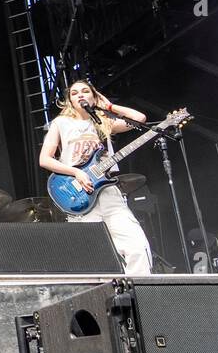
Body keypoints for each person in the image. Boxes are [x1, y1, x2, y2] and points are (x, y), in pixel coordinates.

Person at [39, 78, 152, 275]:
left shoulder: (103, 122)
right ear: (70, 101)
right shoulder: (61, 123)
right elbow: (45, 159)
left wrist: (108, 105)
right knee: (94, 258)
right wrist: (76, 172)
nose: (80, 95)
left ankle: (140, 295)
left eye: (85, 91)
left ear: (94, 97)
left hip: (109, 193)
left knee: (137, 247)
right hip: (80, 193)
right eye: (74, 93)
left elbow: (139, 118)